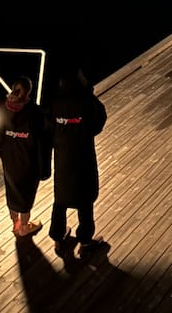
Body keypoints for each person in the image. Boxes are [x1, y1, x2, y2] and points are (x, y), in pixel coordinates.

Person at [46, 67, 107, 257]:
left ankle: (58, 237)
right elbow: (98, 123)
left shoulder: (54, 105)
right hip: (83, 157)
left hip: (62, 159)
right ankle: (86, 241)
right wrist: (89, 95)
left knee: (60, 199)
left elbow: (47, 129)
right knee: (85, 200)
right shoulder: (87, 103)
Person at [0, 75, 51, 237]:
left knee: (12, 193)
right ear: (28, 93)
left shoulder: (4, 109)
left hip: (9, 161)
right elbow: (43, 144)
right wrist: (44, 170)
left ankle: (15, 223)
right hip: (28, 163)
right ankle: (25, 228)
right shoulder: (36, 113)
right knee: (26, 197)